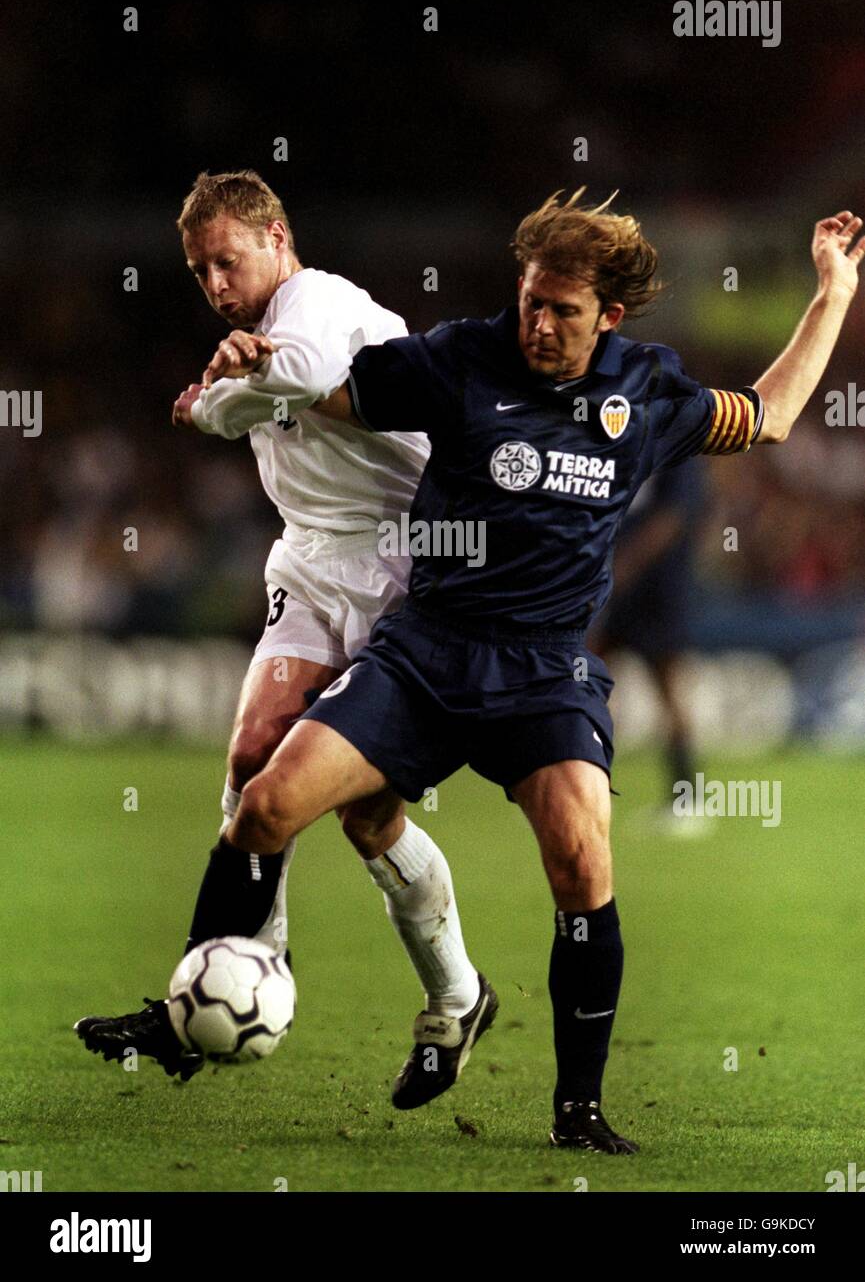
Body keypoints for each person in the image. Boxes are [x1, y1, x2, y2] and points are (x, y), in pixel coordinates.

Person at [179, 190, 862, 1152]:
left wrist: (831, 293)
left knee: (582, 860)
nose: (536, 323)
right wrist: (252, 374)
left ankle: (577, 1110)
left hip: (543, 671)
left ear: (610, 317)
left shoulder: (646, 392)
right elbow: (336, 392)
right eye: (530, 300)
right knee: (263, 802)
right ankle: (191, 1009)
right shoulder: (463, 357)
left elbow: (772, 415)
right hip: (424, 651)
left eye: (562, 310)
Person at [75, 171, 496, 1105]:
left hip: (400, 578)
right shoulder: (254, 332)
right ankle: (223, 976)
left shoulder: (322, 302)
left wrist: (230, 387)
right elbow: (219, 415)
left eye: (227, 260)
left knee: (365, 818)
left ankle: (456, 997)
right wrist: (225, 394)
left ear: (278, 236)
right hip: (306, 566)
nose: (217, 284)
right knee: (251, 761)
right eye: (199, 272)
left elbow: (287, 381)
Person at [590, 458, 709, 829]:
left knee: (668, 686)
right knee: (587, 681)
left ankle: (687, 798)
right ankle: (583, 790)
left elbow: (673, 517)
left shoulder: (681, 448)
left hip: (659, 587)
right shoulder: (629, 438)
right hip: (621, 586)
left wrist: (622, 565)